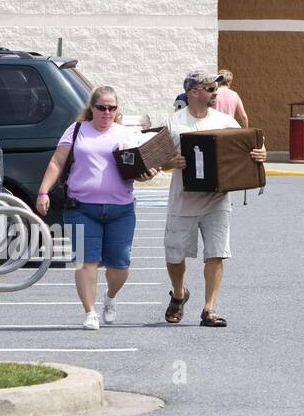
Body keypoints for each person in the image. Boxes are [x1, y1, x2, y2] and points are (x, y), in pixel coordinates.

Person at [34, 85, 159, 329]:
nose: (107, 113)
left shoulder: (126, 134)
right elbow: (57, 162)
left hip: (120, 210)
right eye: (101, 108)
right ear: (91, 108)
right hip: (81, 207)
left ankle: (110, 298)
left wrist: (146, 174)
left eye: (112, 108)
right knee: (85, 261)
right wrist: (43, 191)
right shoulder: (77, 130)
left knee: (119, 266)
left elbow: (139, 169)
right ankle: (90, 312)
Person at [162, 70, 266, 327]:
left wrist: (260, 153)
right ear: (193, 92)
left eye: (215, 89)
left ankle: (209, 309)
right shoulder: (173, 123)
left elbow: (250, 145)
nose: (215, 93)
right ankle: (179, 294)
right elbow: (157, 161)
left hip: (217, 201)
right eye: (210, 88)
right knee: (175, 256)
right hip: (182, 201)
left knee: (216, 254)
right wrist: (171, 162)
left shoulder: (225, 121)